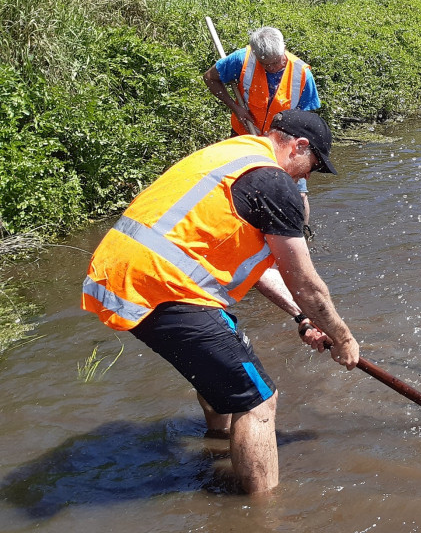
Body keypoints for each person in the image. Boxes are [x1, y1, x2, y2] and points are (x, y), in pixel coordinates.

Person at [81, 109, 359, 495]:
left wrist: (302, 319)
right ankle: (263, 512)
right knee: (259, 402)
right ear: (299, 146)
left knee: (224, 371)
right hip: (164, 286)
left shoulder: (235, 154)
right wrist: (343, 338)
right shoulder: (275, 183)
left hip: (119, 274)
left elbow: (263, 272)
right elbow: (307, 284)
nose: (306, 177)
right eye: (312, 166)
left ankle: (217, 447)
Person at [203, 26, 321, 225]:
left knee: (297, 194)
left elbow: (306, 117)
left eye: (277, 62)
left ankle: (302, 234)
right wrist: (236, 108)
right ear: (257, 56)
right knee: (238, 188)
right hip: (246, 137)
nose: (273, 68)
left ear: (284, 48)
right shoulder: (241, 59)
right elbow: (210, 78)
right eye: (266, 65)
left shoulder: (301, 73)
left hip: (283, 144)